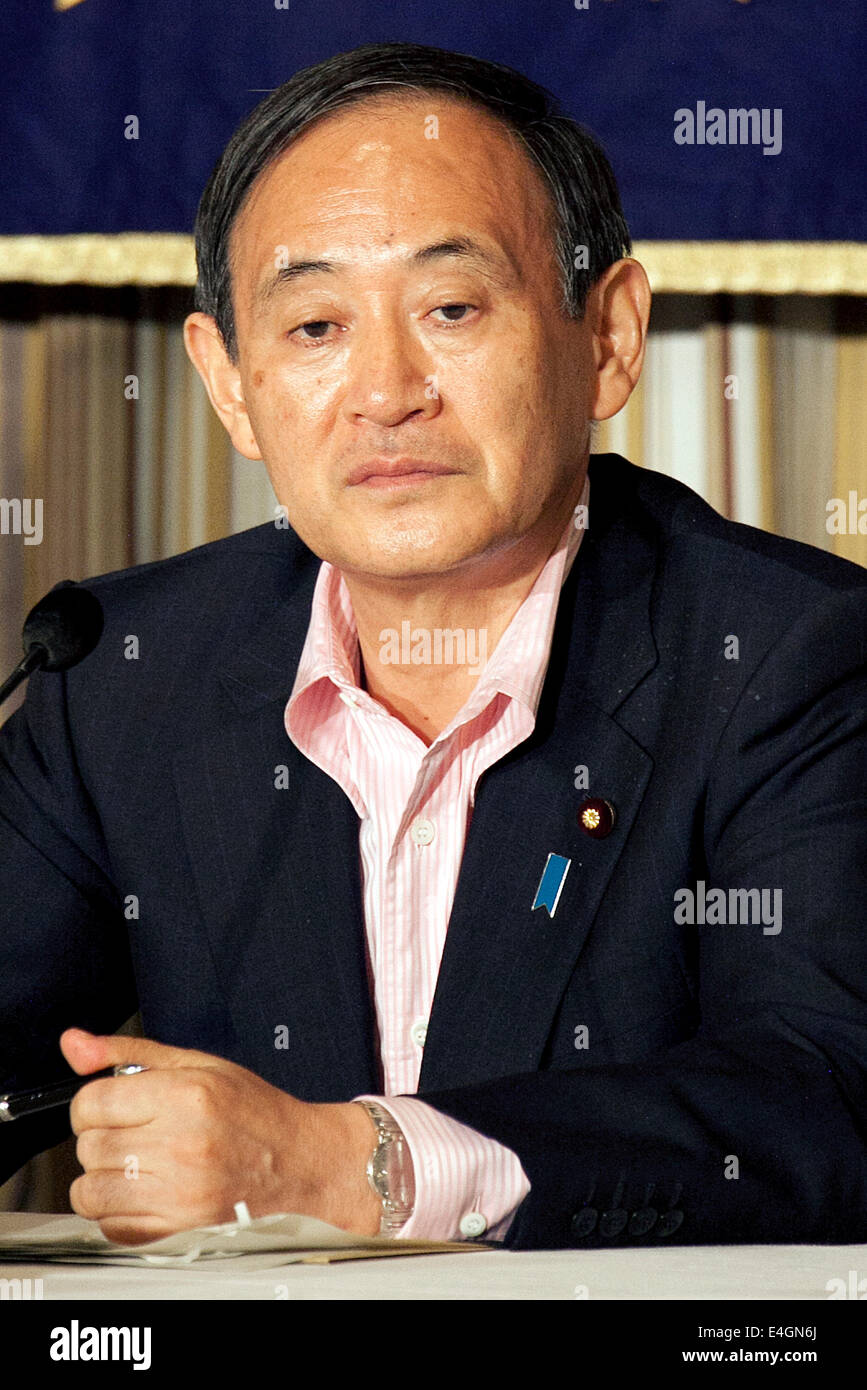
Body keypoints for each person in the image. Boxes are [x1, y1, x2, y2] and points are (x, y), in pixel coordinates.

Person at [1, 41, 866, 1250]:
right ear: (230, 384)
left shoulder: (790, 655)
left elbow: (826, 1093)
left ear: (607, 337)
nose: (386, 391)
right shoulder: (116, 669)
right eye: (312, 326)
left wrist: (363, 1162)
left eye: (451, 307)